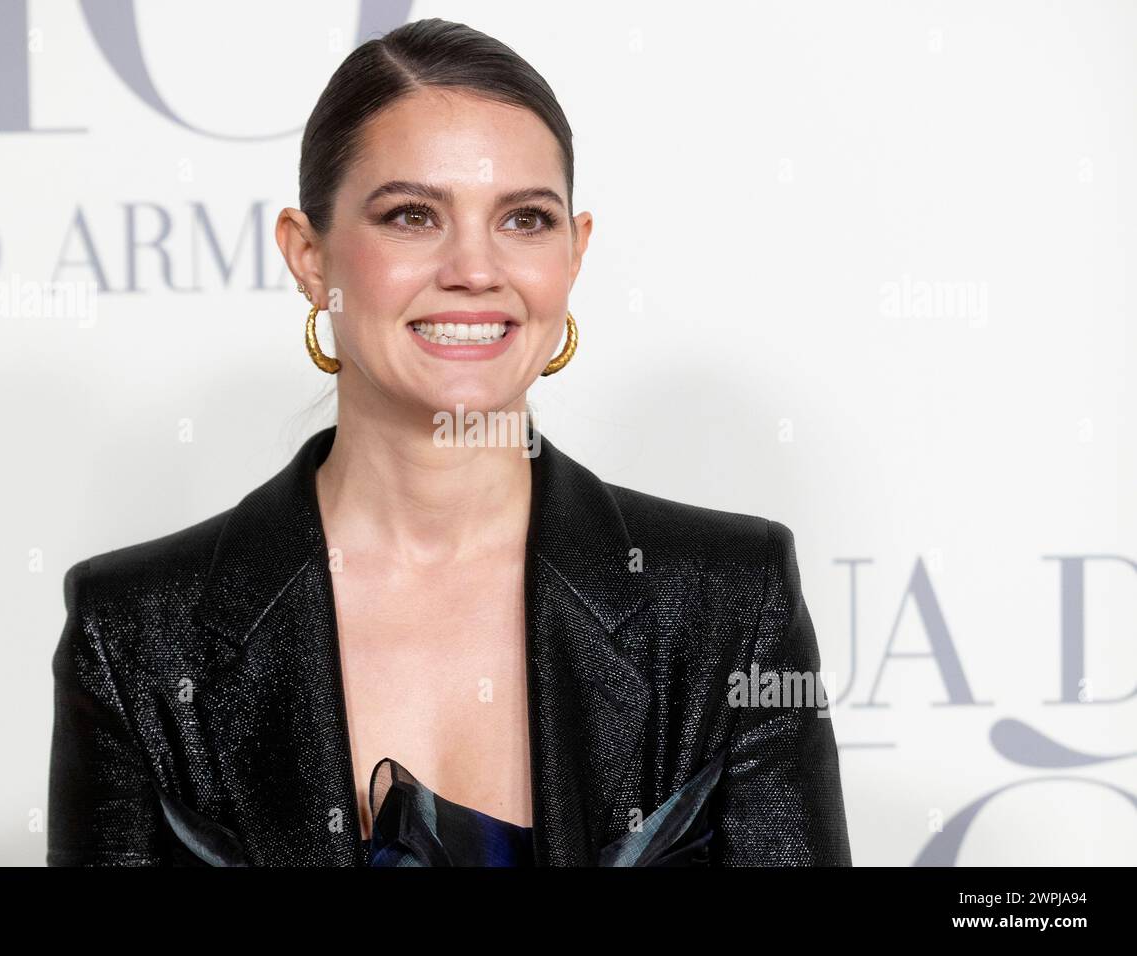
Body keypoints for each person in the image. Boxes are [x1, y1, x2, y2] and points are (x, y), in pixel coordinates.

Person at [46, 17, 851, 867]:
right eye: (413, 215)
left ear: (574, 255)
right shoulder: (134, 631)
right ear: (309, 255)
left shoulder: (732, 602)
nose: (474, 268)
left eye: (525, 220)